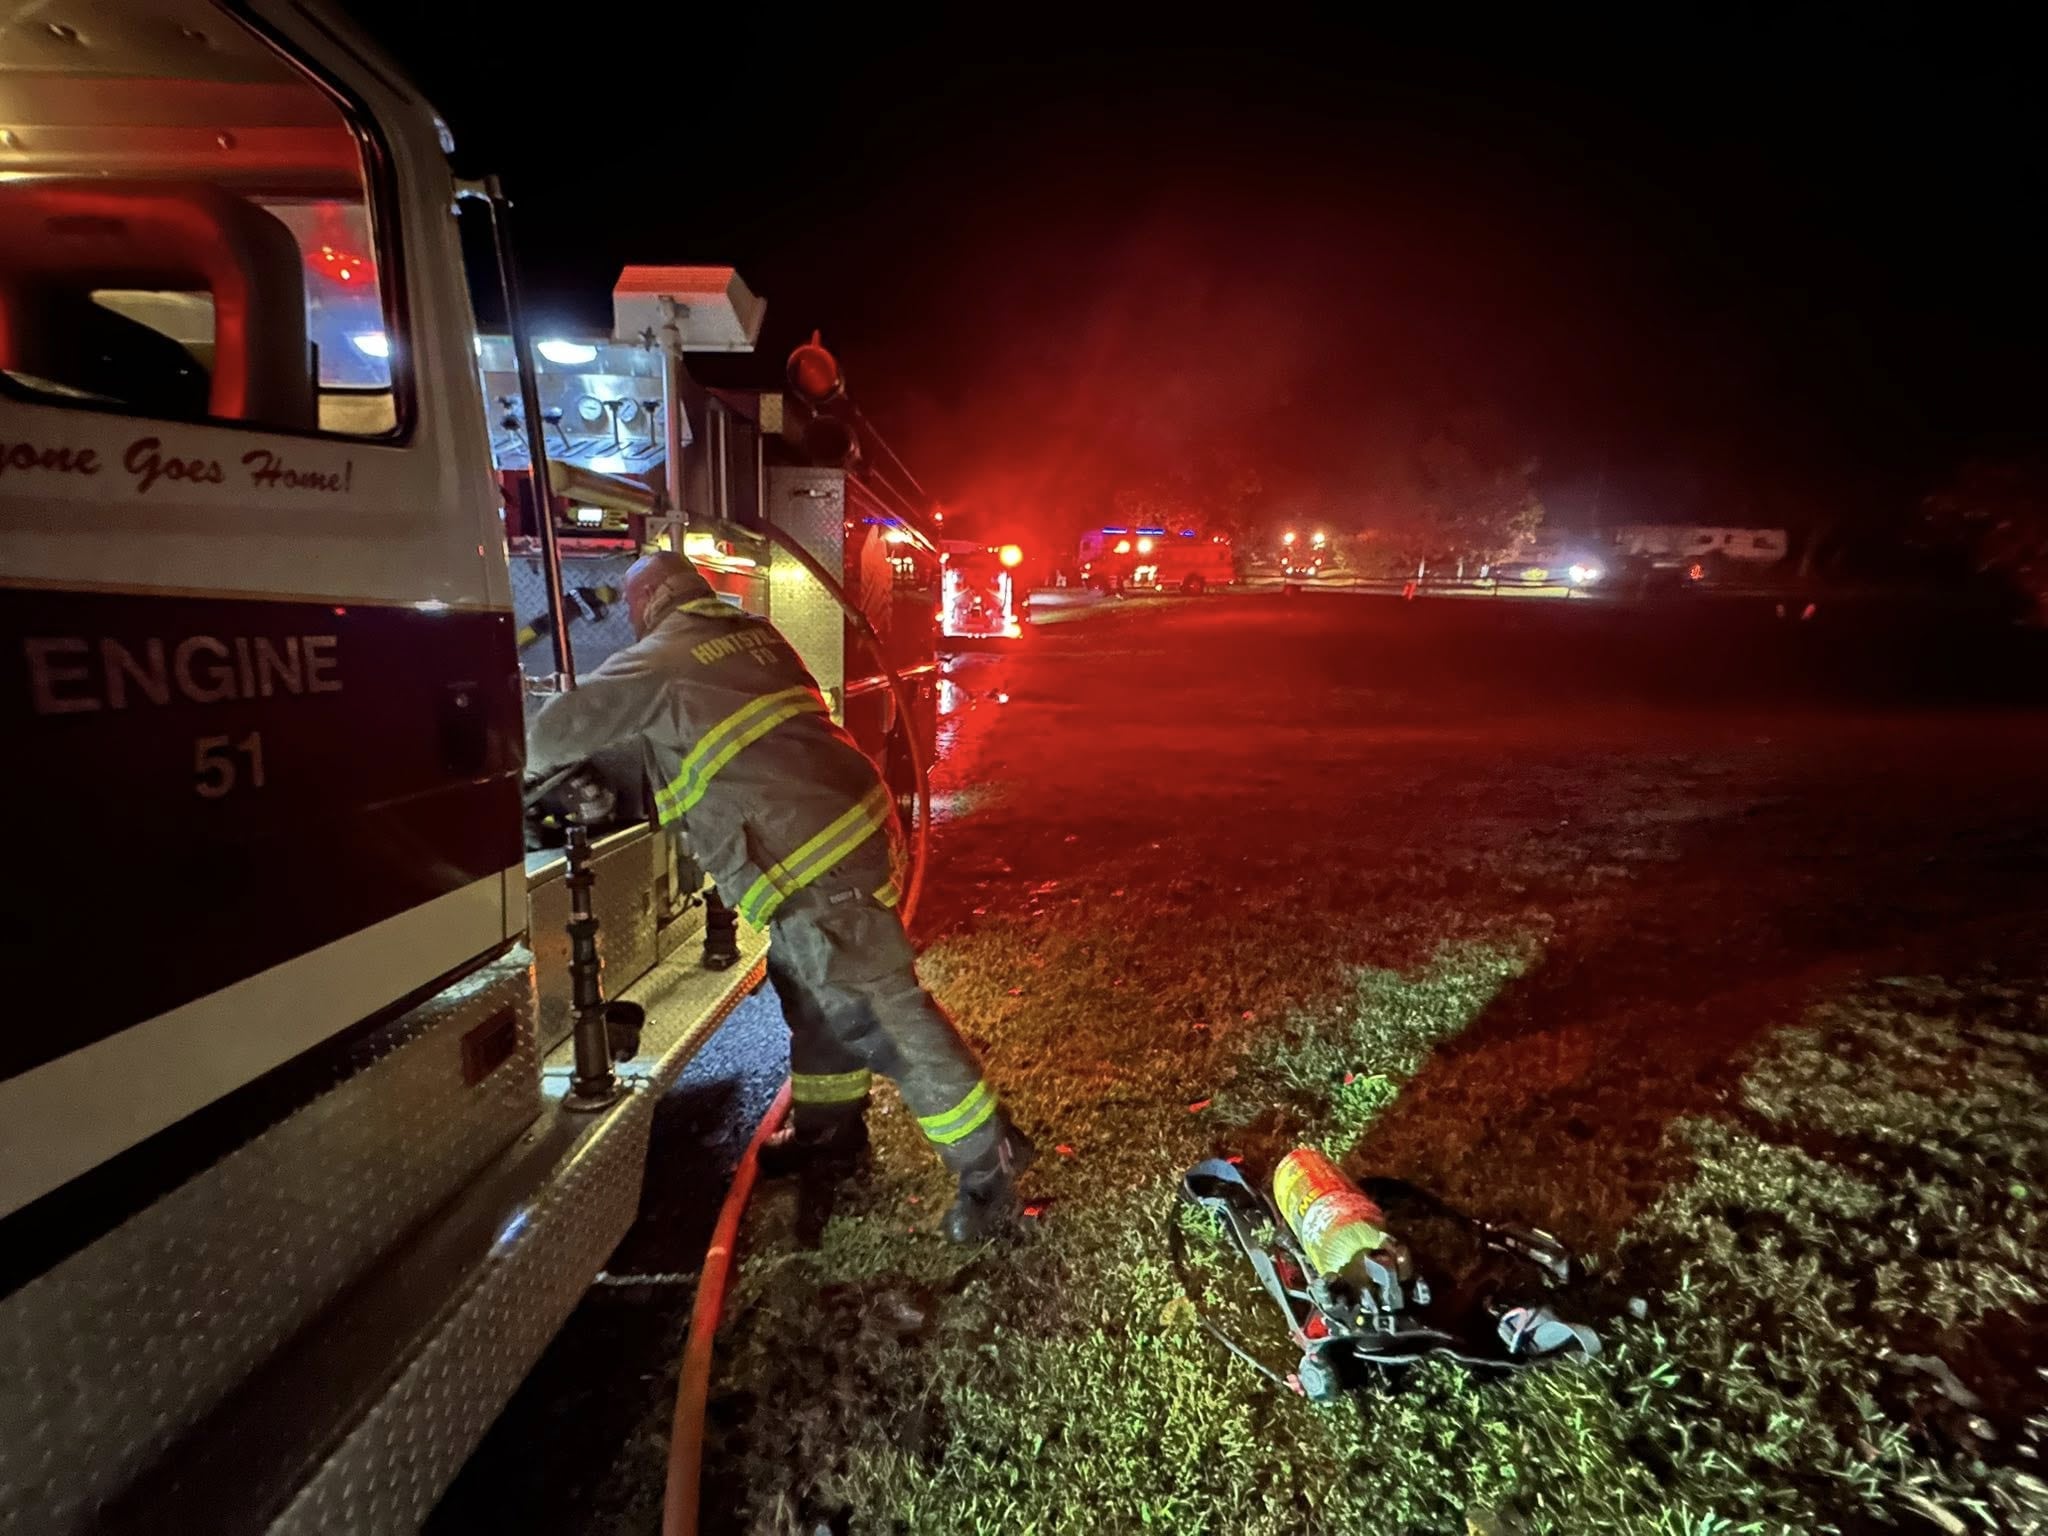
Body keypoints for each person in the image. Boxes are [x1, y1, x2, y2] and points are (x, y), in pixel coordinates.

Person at [525, 552, 1033, 1240]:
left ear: (644, 607)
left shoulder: (665, 655)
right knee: (808, 988)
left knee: (881, 1011)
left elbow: (550, 734)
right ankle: (830, 1133)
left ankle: (988, 1163)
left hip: (813, 860)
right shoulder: (750, 631)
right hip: (842, 832)